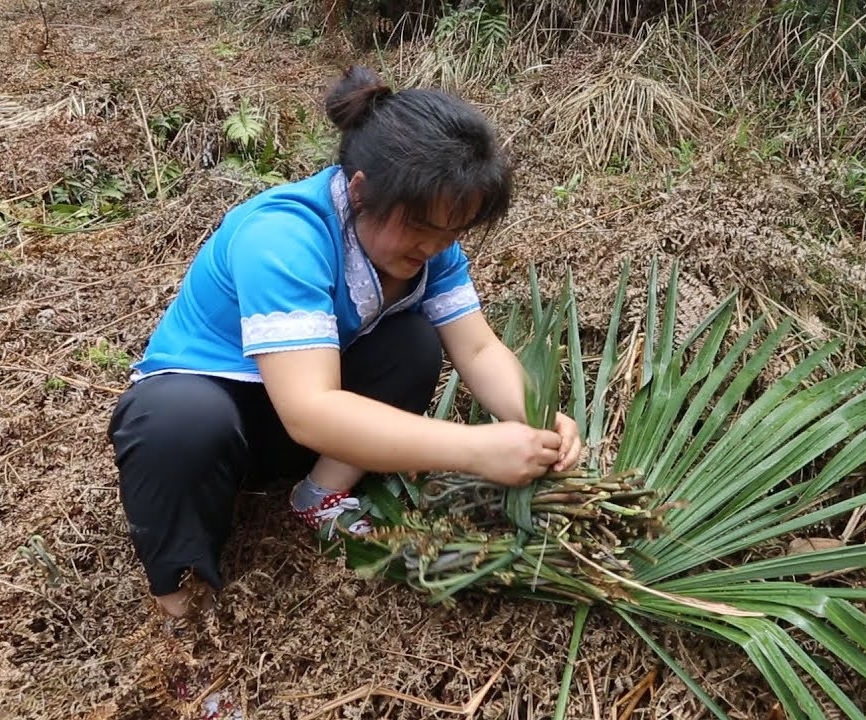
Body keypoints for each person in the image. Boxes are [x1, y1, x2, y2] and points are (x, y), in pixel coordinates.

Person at [107, 65, 583, 618]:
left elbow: (477, 350)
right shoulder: (284, 234)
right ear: (360, 191)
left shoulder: (434, 248)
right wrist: (477, 449)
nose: (435, 247)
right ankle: (180, 594)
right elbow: (309, 410)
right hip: (218, 415)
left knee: (413, 341)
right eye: (422, 228)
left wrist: (536, 416)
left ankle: (319, 493)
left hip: (302, 414)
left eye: (452, 233)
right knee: (177, 421)